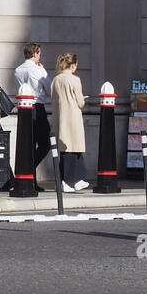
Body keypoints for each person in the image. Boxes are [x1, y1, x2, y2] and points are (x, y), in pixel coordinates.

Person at [14, 42, 52, 189]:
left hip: (24, 110)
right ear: (35, 53)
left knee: (28, 144)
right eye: (39, 53)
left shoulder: (18, 70)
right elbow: (49, 90)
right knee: (45, 144)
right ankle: (29, 168)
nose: (40, 56)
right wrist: (44, 71)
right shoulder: (38, 70)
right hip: (37, 107)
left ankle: (31, 180)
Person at [51, 52, 89, 192]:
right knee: (73, 149)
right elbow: (80, 102)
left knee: (69, 150)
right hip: (73, 117)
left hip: (61, 117)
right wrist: (83, 99)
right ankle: (68, 181)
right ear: (73, 65)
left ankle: (77, 179)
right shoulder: (75, 80)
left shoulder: (56, 79)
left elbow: (53, 100)